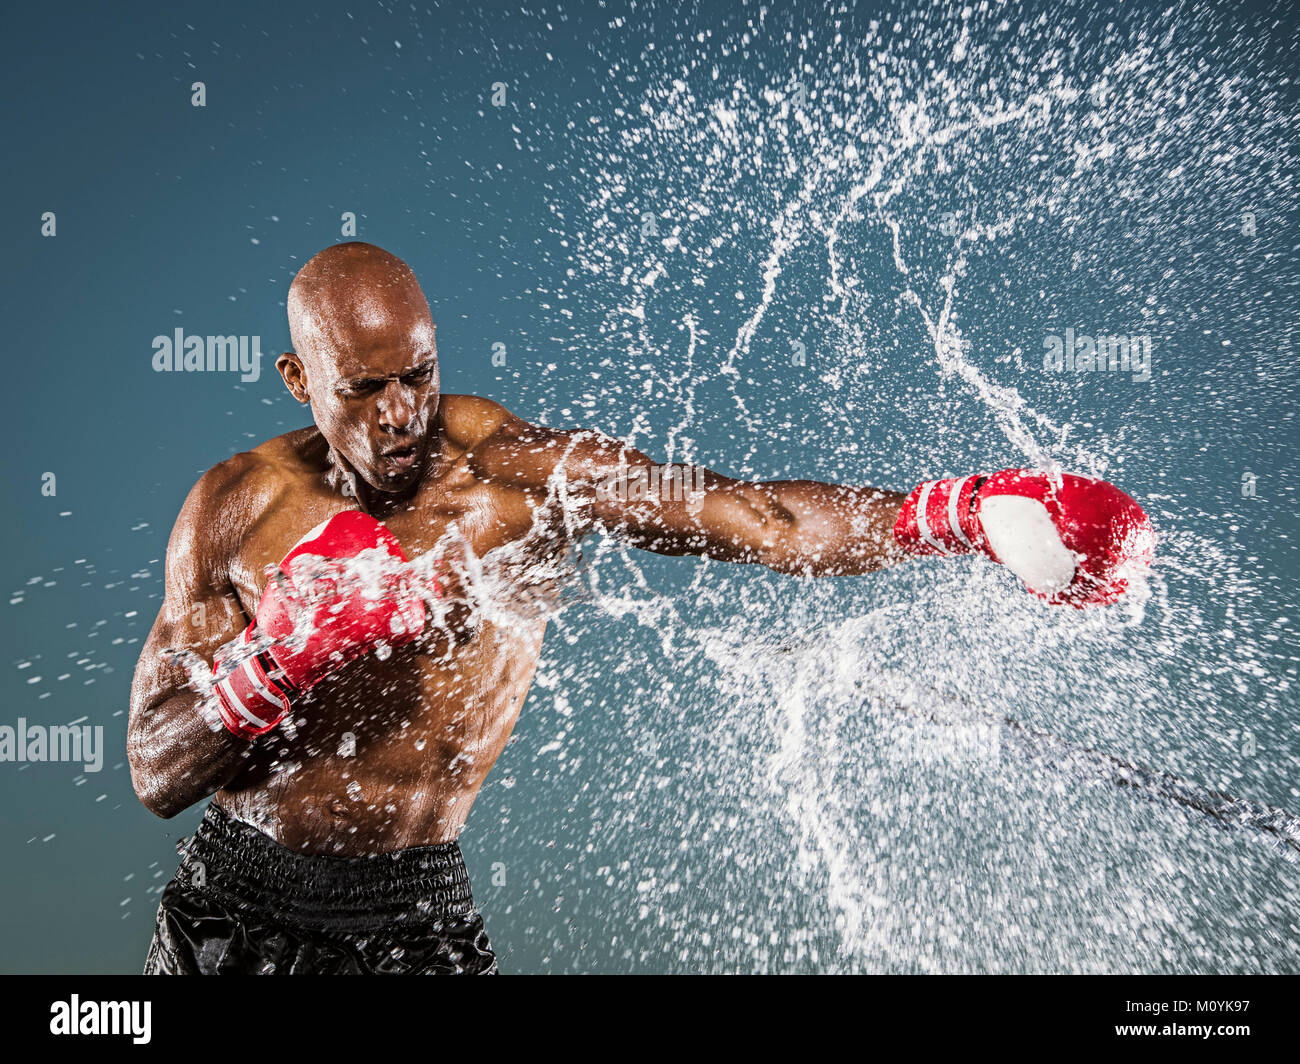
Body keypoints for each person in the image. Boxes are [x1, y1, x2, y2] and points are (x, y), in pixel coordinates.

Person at [129, 241, 1154, 974]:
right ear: (298, 376)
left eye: (419, 376)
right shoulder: (235, 507)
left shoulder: (511, 478)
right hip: (236, 896)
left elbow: (753, 517)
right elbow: (154, 767)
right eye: (363, 389)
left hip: (410, 907)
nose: (399, 413)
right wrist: (275, 661)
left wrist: (953, 511)